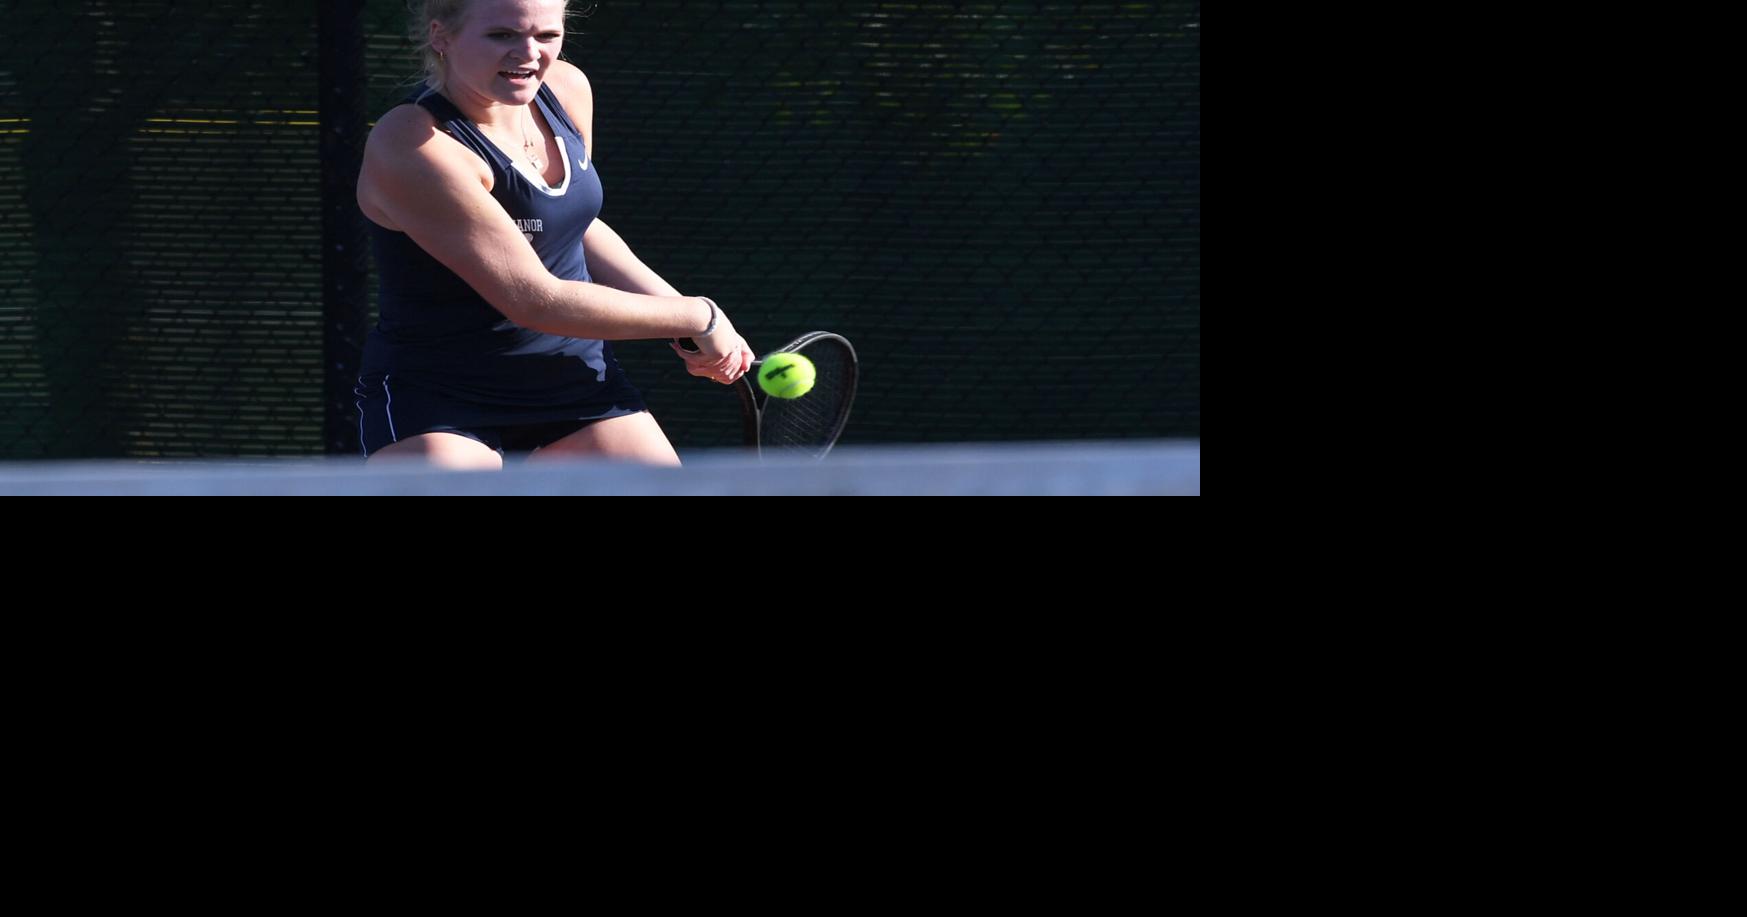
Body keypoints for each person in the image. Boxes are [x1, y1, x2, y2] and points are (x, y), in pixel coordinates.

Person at [353, 0, 754, 469]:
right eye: (501, 35)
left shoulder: (566, 88)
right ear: (442, 36)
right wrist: (697, 317)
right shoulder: (414, 143)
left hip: (573, 380)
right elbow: (532, 300)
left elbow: (575, 227)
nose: (528, 53)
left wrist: (687, 318)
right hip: (440, 395)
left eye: (546, 36)